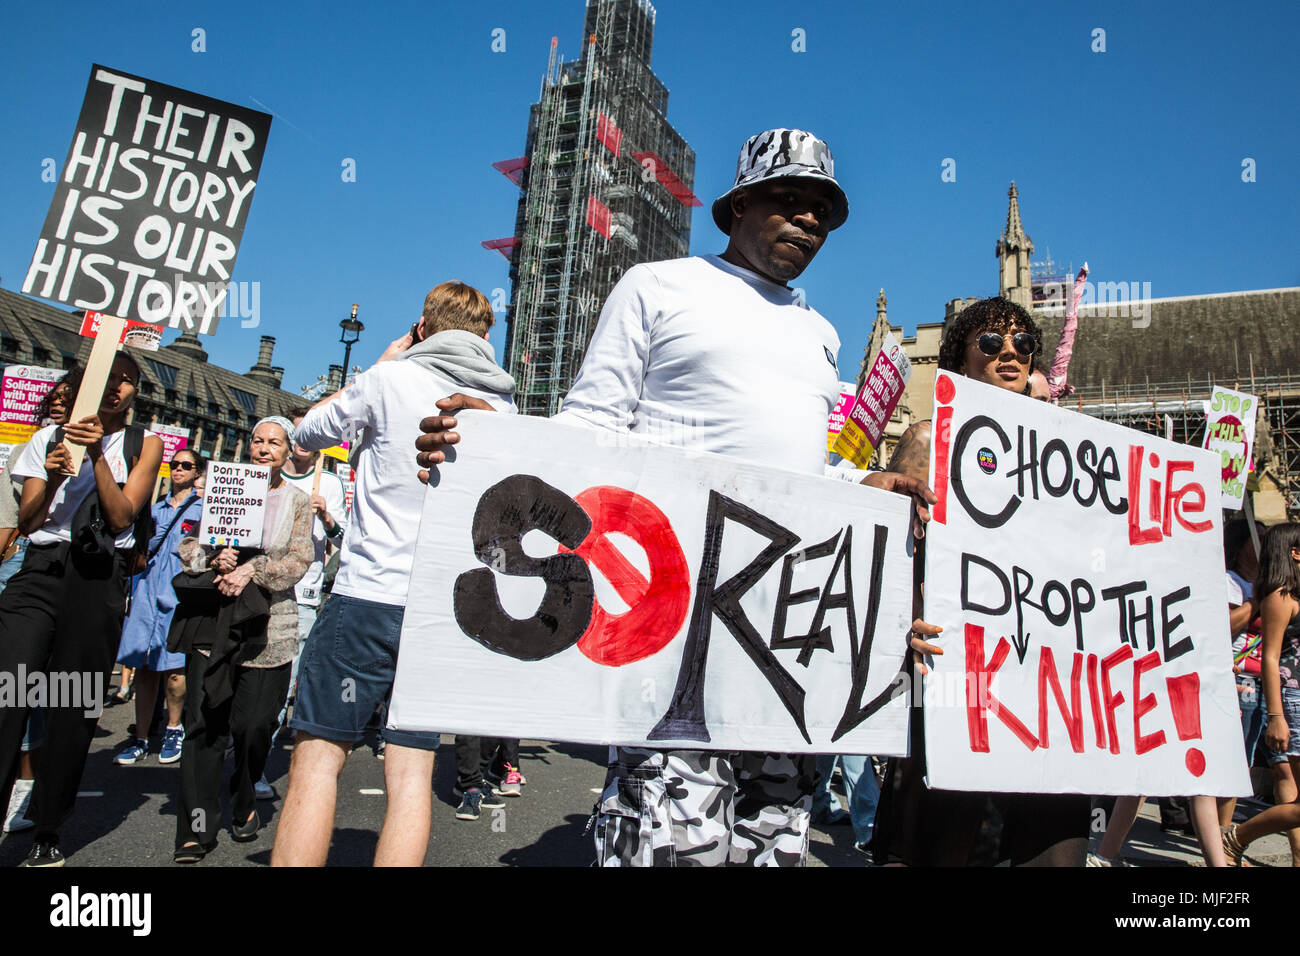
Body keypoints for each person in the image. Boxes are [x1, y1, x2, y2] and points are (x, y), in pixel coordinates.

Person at [414, 129, 934, 867]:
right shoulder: (659, 286)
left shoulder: (820, 333)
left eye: (823, 208)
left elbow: (806, 472)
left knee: (772, 842)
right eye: (789, 200)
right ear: (738, 207)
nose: (810, 219)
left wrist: (865, 484)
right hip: (673, 620)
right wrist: (499, 442)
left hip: (781, 637)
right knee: (665, 839)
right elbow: (590, 425)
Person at [271, 280, 516, 867]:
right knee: (410, 774)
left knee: (317, 762)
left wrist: (382, 363)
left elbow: (305, 434)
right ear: (485, 337)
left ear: (424, 328)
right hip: (440, 610)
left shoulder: (390, 380)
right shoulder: (505, 410)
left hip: (366, 595)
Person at [870, 295, 1092, 867]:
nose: (1010, 353)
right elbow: (896, 550)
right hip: (958, 668)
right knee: (953, 840)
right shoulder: (929, 437)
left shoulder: (1066, 448)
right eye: (991, 343)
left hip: (1050, 674)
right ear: (959, 360)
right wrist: (906, 619)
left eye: (1023, 344)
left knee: (1053, 851)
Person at [0, 351, 163, 867]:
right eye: (108, 379)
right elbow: (27, 523)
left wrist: (96, 457)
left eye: (127, 381)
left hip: (96, 580)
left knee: (72, 708)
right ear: (83, 383)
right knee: (10, 695)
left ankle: (49, 828)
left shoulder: (144, 445)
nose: (117, 388)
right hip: (41, 573)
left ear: (136, 392)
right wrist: (50, 476)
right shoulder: (45, 440)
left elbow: (120, 518)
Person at [172, 418, 312, 862]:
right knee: (204, 724)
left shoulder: (297, 501)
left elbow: (299, 559)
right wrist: (214, 556)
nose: (263, 448)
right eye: (256, 440)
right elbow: (188, 548)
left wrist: (252, 568)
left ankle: (245, 794)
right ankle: (195, 829)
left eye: (274, 442)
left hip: (269, 625)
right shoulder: (220, 486)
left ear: (287, 453)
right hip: (215, 623)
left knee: (253, 726)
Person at [1, 369, 80, 836]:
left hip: (64, 569)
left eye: (68, 399)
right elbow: (14, 517)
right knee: (12, 681)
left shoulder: (102, 451)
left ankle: (30, 781)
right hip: (17, 566)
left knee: (48, 688)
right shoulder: (27, 446)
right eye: (54, 397)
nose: (58, 404)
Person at [113, 449, 206, 767]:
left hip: (178, 597)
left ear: (197, 473)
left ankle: (173, 728)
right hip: (146, 595)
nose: (177, 469)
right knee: (145, 668)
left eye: (185, 466)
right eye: (174, 464)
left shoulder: (204, 511)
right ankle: (140, 737)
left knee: (176, 670)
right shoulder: (152, 510)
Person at [1223, 522, 1300, 864]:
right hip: (1293, 701)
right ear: (1295, 552)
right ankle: (1238, 836)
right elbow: (1270, 657)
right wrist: (1276, 717)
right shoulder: (1279, 597)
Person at [273, 406, 348, 738]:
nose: (303, 440)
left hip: (301, 594)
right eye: (297, 432)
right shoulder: (264, 475)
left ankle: (255, 763)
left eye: (310, 433)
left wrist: (328, 517)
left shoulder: (328, 483)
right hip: (254, 587)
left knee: (280, 681)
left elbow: (343, 538)